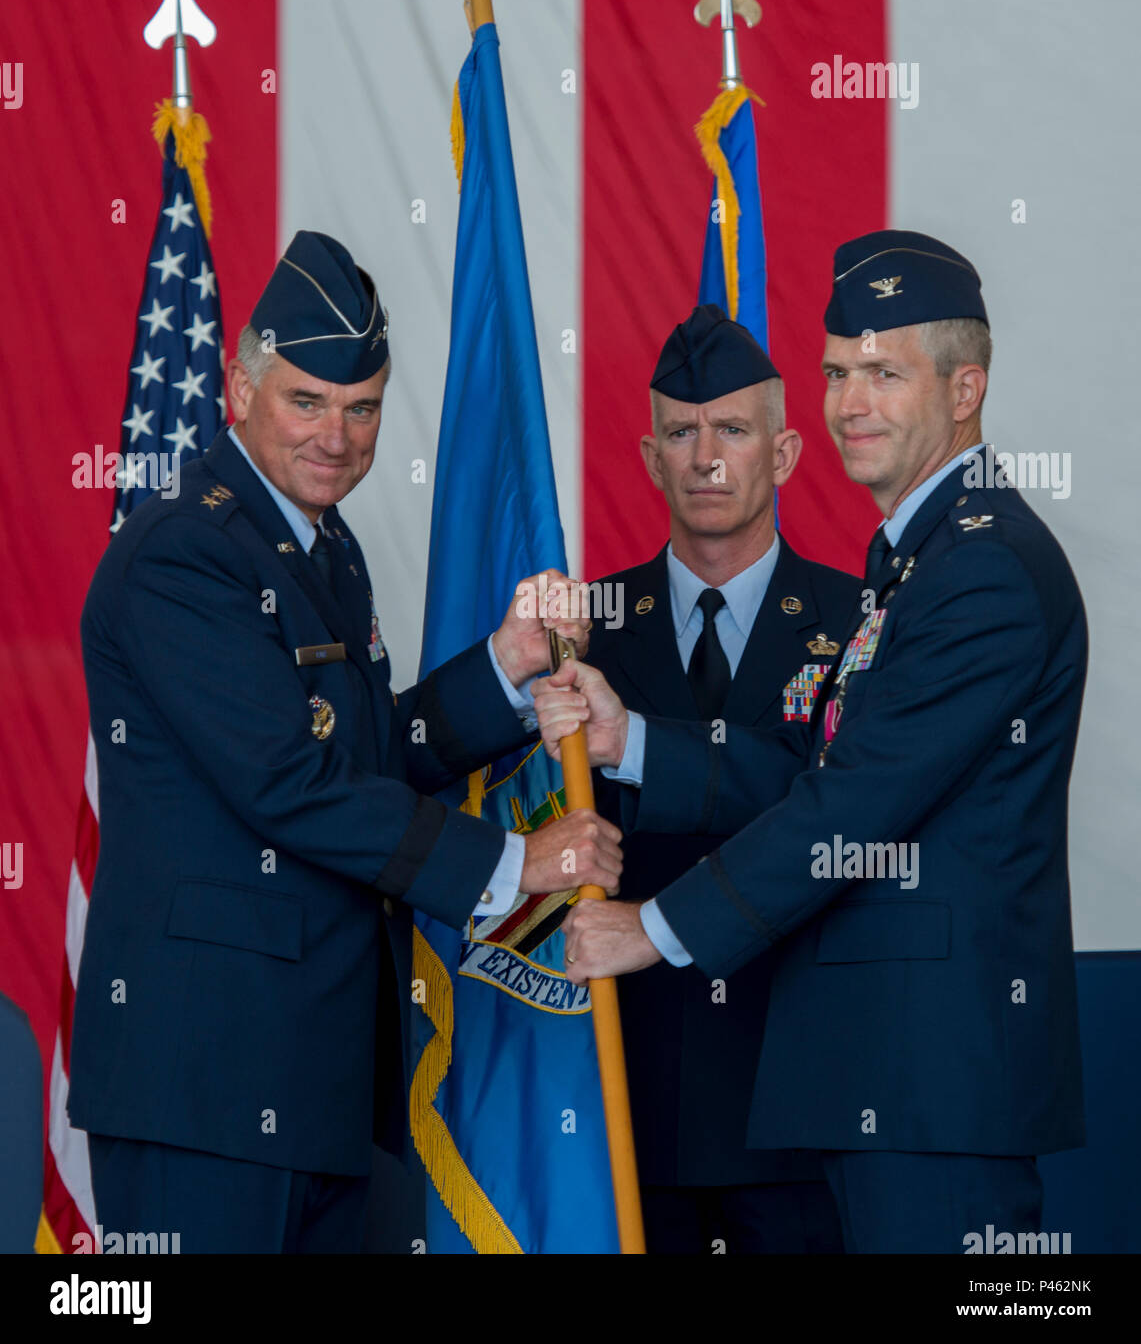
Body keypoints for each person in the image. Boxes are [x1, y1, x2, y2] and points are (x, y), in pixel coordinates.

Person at [68, 230, 620, 1253]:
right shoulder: (185, 551)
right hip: (206, 1085)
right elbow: (289, 783)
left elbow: (363, 756)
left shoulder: (322, 548)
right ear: (239, 390)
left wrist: (503, 665)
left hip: (314, 1079)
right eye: (306, 400)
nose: (337, 434)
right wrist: (514, 863)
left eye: (361, 408)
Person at [536, 230, 1087, 1254]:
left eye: (885, 372)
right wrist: (634, 740)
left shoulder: (982, 569)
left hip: (932, 1089)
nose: (851, 402)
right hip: (883, 1080)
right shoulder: (919, 559)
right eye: (837, 372)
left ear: (964, 388)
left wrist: (650, 927)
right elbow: (815, 774)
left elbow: (855, 801)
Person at [587, 304, 856, 1253]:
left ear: (782, 454)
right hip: (627, 1116)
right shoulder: (582, 630)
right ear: (650, 455)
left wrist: (635, 743)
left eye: (732, 431)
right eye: (681, 432)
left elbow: (834, 813)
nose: (705, 457)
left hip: (802, 1112)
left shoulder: (864, 622)